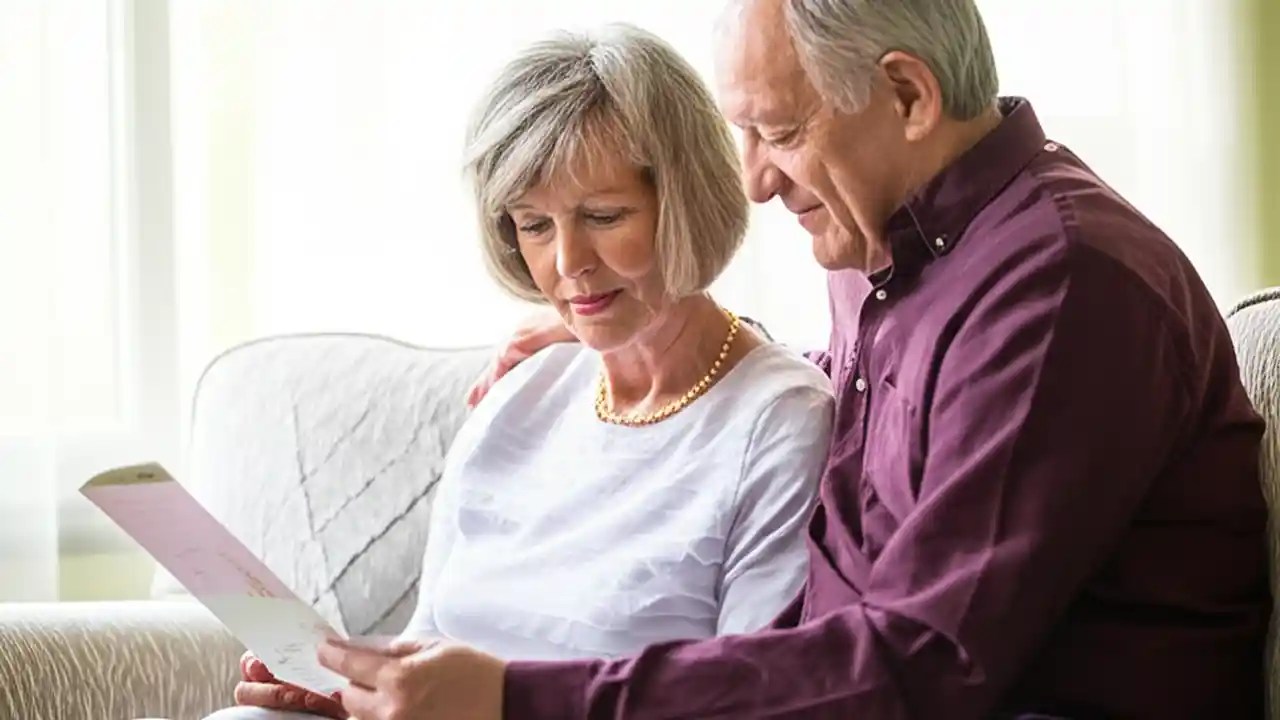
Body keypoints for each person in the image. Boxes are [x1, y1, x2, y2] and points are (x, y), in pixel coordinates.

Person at [311, 0, 1272, 718]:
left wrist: (517, 702)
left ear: (908, 95)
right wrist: (653, 329)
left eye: (777, 132)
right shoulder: (890, 246)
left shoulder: (1063, 285)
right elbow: (900, 397)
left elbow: (923, 665)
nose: (754, 179)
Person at [207, 21, 835, 720]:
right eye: (534, 225)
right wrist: (355, 694)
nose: (568, 263)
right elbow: (430, 640)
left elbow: (752, 695)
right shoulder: (521, 396)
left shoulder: (779, 419)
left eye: (603, 216)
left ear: (686, 202)